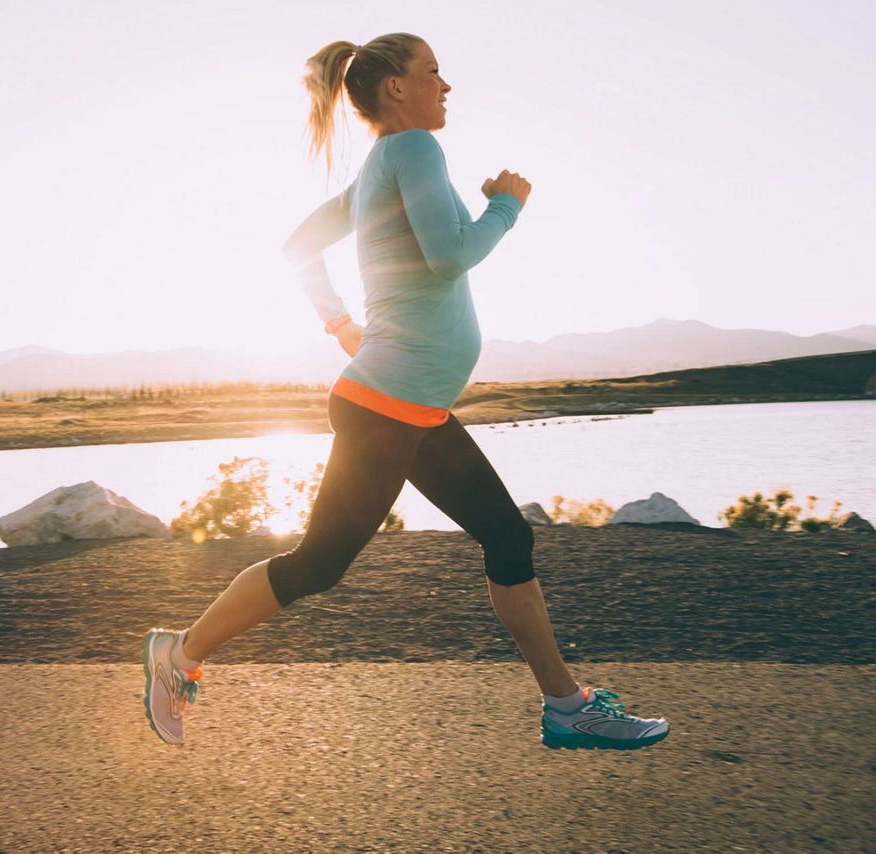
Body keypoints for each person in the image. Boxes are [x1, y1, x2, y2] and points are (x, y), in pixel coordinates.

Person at [142, 33, 668, 750]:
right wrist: (507, 207)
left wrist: (339, 324)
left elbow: (297, 247)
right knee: (320, 564)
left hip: (408, 405)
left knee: (506, 537)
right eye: (433, 72)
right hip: (387, 406)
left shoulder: (381, 170)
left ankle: (567, 707)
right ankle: (180, 653)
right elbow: (450, 256)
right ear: (395, 88)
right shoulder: (414, 150)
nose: (446, 85)